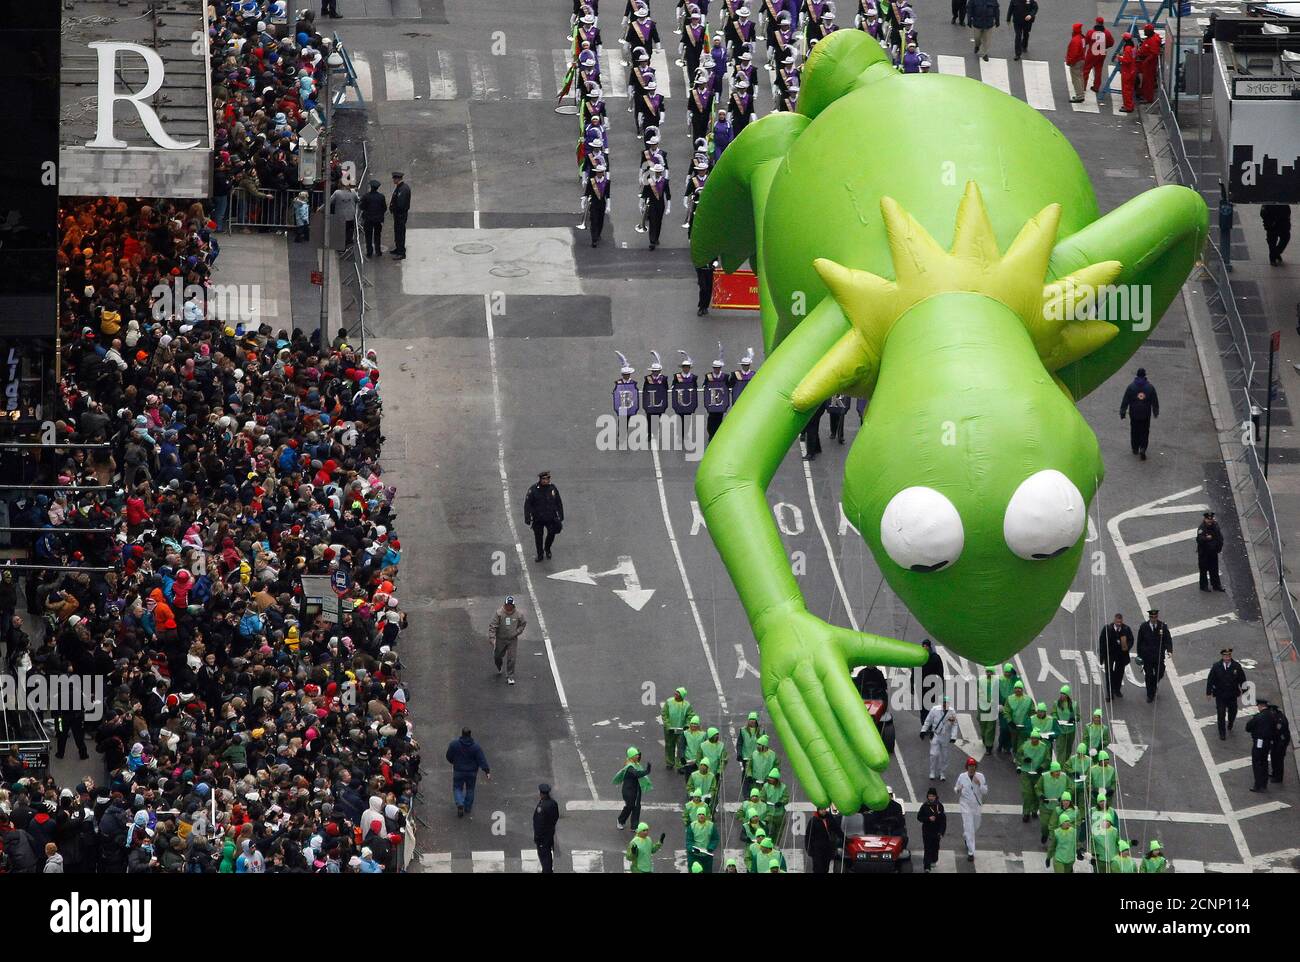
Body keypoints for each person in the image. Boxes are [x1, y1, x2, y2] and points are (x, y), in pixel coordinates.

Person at [445, 727, 491, 818]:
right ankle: (468, 807)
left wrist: (454, 762)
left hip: (458, 770)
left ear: (462, 734)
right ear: (470, 734)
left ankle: (460, 803)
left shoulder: (454, 744)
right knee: (470, 789)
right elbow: (481, 759)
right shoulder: (476, 747)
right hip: (472, 772)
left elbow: (448, 756)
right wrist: (487, 771)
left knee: (457, 788)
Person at [524, 470, 565, 562]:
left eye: (548, 479)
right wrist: (527, 517)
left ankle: (547, 548)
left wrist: (561, 515)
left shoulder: (553, 488)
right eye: (544, 479)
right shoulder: (533, 490)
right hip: (538, 518)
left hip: (550, 517)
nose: (546, 481)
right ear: (540, 479)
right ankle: (540, 554)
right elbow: (528, 504)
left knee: (552, 533)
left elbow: (558, 502)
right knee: (538, 537)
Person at [953, 757, 988, 862]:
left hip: (976, 805)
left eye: (973, 766)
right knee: (969, 827)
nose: (971, 768)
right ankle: (971, 852)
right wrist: (958, 789)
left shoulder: (980, 776)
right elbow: (956, 788)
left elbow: (985, 791)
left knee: (975, 826)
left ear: (975, 767)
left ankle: (966, 836)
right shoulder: (962, 776)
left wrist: (979, 784)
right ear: (967, 767)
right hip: (965, 804)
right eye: (970, 766)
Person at [1120, 367, 1159, 460]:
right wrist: (1155, 411)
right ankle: (1143, 447)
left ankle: (1135, 448)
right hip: (1145, 413)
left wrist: (1122, 412)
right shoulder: (1150, 387)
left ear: (1137, 375)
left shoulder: (1131, 387)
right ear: (1145, 375)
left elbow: (1125, 400)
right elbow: (1154, 401)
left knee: (1134, 430)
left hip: (1134, 413)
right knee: (1145, 431)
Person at [488, 595, 527, 685]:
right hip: (501, 639)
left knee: (512, 658)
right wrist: (492, 638)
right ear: (505, 604)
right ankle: (499, 665)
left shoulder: (518, 614)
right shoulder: (499, 613)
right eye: (507, 604)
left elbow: (523, 623)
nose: (509, 606)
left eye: (511, 605)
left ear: (513, 605)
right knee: (498, 656)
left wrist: (517, 632)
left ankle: (510, 676)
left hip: (512, 640)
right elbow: (493, 626)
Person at [1135, 608, 1173, 701]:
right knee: (1148, 675)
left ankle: (1154, 684)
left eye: (1155, 617)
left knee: (1160, 672)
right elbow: (1139, 641)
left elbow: (1167, 638)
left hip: (1158, 655)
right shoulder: (1144, 627)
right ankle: (1150, 694)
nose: (1153, 619)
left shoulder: (1162, 626)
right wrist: (1139, 655)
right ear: (1149, 617)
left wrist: (1169, 650)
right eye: (1152, 617)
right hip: (1147, 656)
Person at [920, 695, 959, 781]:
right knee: (934, 754)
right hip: (936, 735)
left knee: (944, 756)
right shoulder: (935, 710)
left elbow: (955, 724)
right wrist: (923, 730)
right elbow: (928, 720)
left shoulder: (952, 712)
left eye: (947, 703)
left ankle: (942, 773)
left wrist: (953, 736)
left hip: (945, 736)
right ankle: (932, 772)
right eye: (944, 703)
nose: (945, 705)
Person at [613, 746, 653, 830]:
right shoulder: (630, 767)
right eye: (636, 755)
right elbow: (636, 774)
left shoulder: (635, 764)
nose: (638, 756)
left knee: (637, 807)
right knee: (630, 806)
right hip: (629, 791)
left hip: (636, 790)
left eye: (638, 755)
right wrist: (647, 771)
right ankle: (620, 820)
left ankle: (634, 826)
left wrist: (639, 753)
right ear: (631, 756)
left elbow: (638, 760)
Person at [1098, 611, 1133, 701]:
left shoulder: (1126, 629)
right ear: (1114, 620)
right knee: (1108, 674)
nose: (1118, 624)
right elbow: (1102, 642)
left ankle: (1117, 689)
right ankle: (1109, 694)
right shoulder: (1107, 629)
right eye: (1117, 622)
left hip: (1121, 655)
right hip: (1110, 654)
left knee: (1119, 673)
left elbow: (1131, 640)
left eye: (1120, 622)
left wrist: (1127, 647)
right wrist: (1102, 656)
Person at [913, 638, 945, 723]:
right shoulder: (919, 658)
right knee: (923, 708)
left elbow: (940, 673)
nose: (925, 647)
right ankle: (925, 725)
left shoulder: (935, 658)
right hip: (922, 687)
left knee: (931, 707)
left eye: (926, 646)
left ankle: (929, 726)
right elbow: (914, 672)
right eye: (924, 646)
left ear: (929, 647)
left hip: (932, 687)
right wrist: (912, 685)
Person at [661, 686, 693, 771]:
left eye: (678, 693)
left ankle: (680, 765)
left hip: (681, 730)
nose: (675, 693)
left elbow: (690, 716)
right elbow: (664, 714)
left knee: (680, 747)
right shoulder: (669, 702)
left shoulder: (687, 705)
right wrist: (668, 726)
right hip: (670, 730)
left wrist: (686, 725)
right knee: (669, 746)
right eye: (676, 692)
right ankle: (669, 762)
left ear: (681, 695)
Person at [1246, 698, 1274, 792]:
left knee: (1257, 763)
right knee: (1264, 762)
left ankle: (1257, 785)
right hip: (1268, 742)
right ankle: (1264, 783)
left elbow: (1248, 727)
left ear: (1260, 706)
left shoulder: (1258, 717)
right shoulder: (1271, 715)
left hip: (1259, 742)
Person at [916, 787, 947, 872]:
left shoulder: (939, 806)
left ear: (936, 796)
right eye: (929, 796)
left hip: (936, 831)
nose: (931, 798)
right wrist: (928, 818)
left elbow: (943, 820)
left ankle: (934, 859)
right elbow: (919, 817)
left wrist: (941, 832)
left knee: (935, 847)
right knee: (927, 848)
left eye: (932, 796)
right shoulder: (925, 806)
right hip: (927, 831)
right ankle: (927, 866)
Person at [805, 806, 844, 873]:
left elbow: (837, 829)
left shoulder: (829, 817)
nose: (823, 811)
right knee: (818, 869)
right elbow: (808, 836)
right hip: (817, 850)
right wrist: (809, 850)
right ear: (818, 810)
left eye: (824, 809)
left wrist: (844, 838)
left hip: (827, 849)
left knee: (826, 869)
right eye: (821, 810)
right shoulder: (813, 820)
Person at [737, 710, 765, 795]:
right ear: (748, 720)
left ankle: (755, 794)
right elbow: (740, 743)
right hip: (746, 758)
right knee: (746, 777)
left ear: (756, 720)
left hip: (758, 757)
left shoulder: (761, 731)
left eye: (754, 719)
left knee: (756, 776)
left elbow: (764, 743)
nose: (752, 721)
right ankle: (746, 795)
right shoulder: (742, 730)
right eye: (750, 719)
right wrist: (739, 754)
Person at [1083, 16, 1114, 94]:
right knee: (1098, 70)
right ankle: (1096, 87)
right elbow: (1111, 43)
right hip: (1101, 54)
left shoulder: (1091, 32)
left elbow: (1085, 42)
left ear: (1096, 22)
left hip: (1092, 53)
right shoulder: (1107, 33)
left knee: (1086, 70)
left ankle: (1083, 86)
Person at [533, 784, 559, 873]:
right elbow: (556, 817)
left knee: (544, 856)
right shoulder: (553, 803)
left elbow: (538, 824)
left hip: (542, 837)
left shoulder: (542, 806)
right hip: (550, 833)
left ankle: (547, 871)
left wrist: (537, 837)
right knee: (548, 853)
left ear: (542, 794)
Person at [1197, 510, 1224, 592]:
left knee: (1214, 569)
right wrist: (1206, 538)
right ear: (1205, 519)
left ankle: (1216, 585)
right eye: (1208, 519)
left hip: (1213, 552)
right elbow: (1199, 539)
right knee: (1203, 570)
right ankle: (1203, 586)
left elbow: (1219, 537)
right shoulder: (1202, 528)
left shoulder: (1215, 526)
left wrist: (1219, 547)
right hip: (1204, 553)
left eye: (1211, 519)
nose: (1210, 520)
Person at [358, 179, 387, 257]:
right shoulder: (381, 197)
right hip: (378, 219)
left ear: (371, 187)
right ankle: (378, 251)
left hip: (368, 219)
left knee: (368, 236)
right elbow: (384, 208)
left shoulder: (366, 196)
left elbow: (361, 206)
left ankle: (369, 252)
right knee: (377, 235)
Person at [686, 807, 720, 872]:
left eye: (703, 814)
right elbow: (689, 841)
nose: (701, 816)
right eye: (699, 814)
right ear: (697, 815)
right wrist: (693, 849)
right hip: (694, 856)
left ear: (705, 815)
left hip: (706, 855)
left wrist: (710, 847)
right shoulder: (692, 826)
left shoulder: (711, 826)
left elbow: (715, 839)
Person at [328, 181, 358, 253]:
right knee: (349, 230)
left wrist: (320, 209)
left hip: (340, 216)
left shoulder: (337, 193)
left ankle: (341, 248)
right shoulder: (353, 192)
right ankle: (348, 245)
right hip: (350, 215)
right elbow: (357, 200)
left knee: (341, 232)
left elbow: (329, 202)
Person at [977, 665, 999, 755]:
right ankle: (985, 739)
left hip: (992, 707)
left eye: (991, 672)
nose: (989, 673)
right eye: (988, 671)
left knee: (990, 728)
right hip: (983, 706)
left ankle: (989, 746)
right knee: (983, 726)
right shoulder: (981, 680)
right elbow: (979, 691)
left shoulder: (997, 681)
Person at [1267, 702, 1291, 783]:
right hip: (1276, 741)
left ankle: (1278, 777)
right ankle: (1274, 773)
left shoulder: (1280, 720)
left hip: (1281, 743)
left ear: (1273, 710)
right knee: (1274, 758)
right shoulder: (1275, 717)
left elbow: (1277, 731)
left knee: (1279, 760)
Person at [1052, 685, 1077, 761]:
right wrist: (1056, 719)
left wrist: (1073, 719)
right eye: (1061, 693)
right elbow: (1053, 713)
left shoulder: (1074, 704)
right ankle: (1060, 768)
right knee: (1061, 749)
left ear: (1068, 695)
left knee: (1068, 750)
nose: (1062, 695)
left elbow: (1078, 717)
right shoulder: (1056, 704)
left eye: (1064, 694)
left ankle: (1065, 764)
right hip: (1060, 730)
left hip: (1070, 730)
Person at [390, 172, 411, 259]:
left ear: (398, 179)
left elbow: (400, 204)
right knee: (397, 232)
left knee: (400, 233)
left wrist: (394, 208)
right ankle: (398, 248)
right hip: (398, 215)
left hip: (400, 215)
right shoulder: (400, 187)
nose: (393, 180)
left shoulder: (403, 189)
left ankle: (401, 253)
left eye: (394, 179)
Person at [1065, 22, 1086, 103]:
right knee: (1080, 77)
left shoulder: (1075, 40)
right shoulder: (1082, 38)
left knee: (1076, 79)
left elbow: (1074, 53)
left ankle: (1079, 96)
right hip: (1082, 60)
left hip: (1076, 62)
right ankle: (1081, 93)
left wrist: (1069, 61)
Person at [1117, 32, 1137, 112]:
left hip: (1127, 71)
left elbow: (1127, 60)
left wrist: (1119, 58)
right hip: (1132, 69)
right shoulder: (1133, 47)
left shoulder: (1127, 48)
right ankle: (1129, 104)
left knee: (1126, 89)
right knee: (1130, 89)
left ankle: (1128, 106)